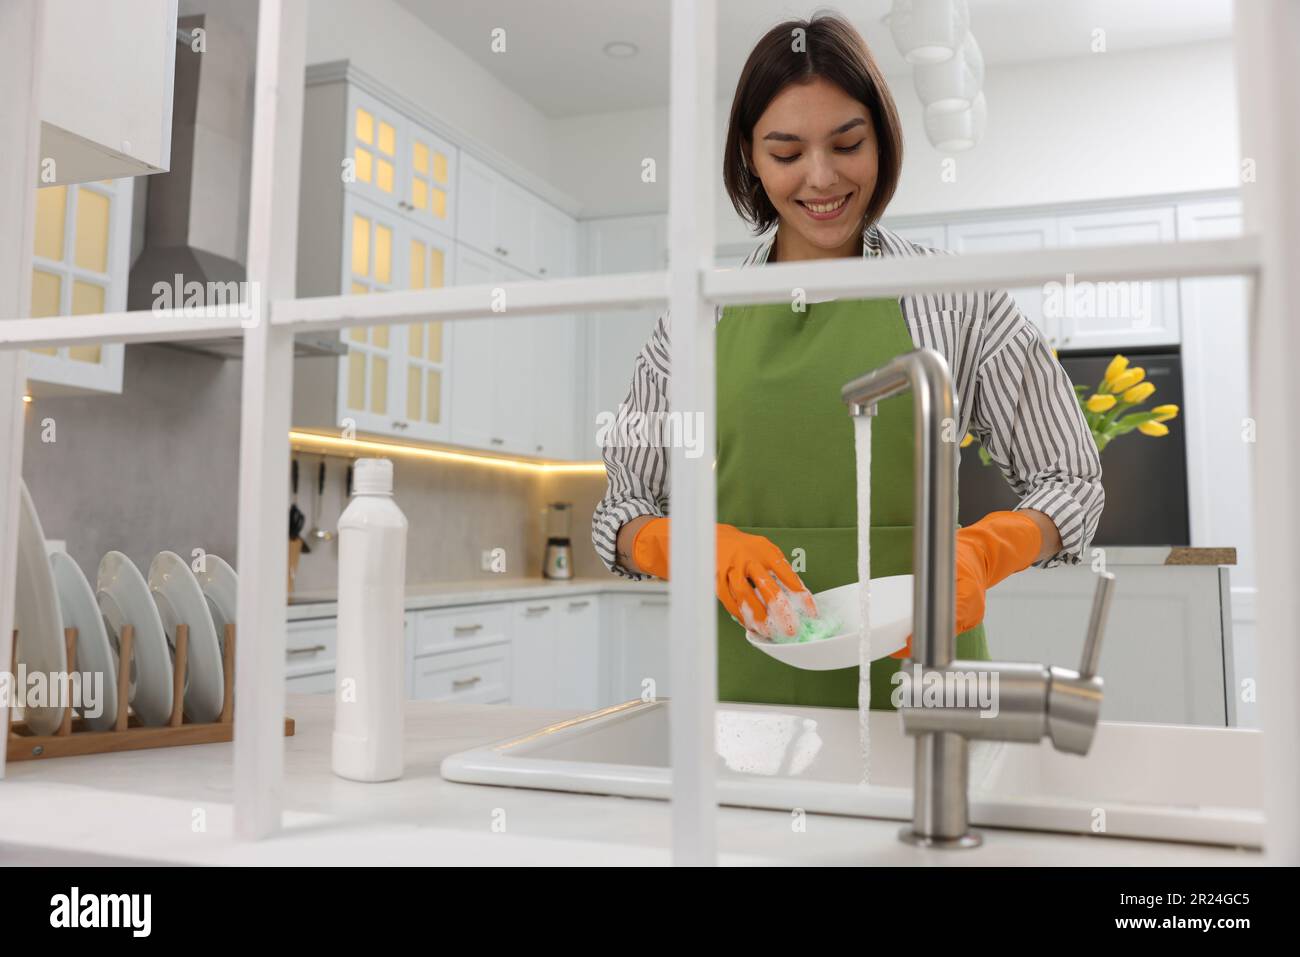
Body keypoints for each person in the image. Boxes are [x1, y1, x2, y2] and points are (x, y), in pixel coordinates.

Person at [591, 12, 1103, 710]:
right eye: (786, 152)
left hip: (925, 688)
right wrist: (702, 546)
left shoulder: (957, 300)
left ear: (882, 140)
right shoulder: (695, 316)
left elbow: (1070, 478)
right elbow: (622, 510)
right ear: (749, 156)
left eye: (847, 143)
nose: (821, 178)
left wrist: (986, 549)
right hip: (744, 692)